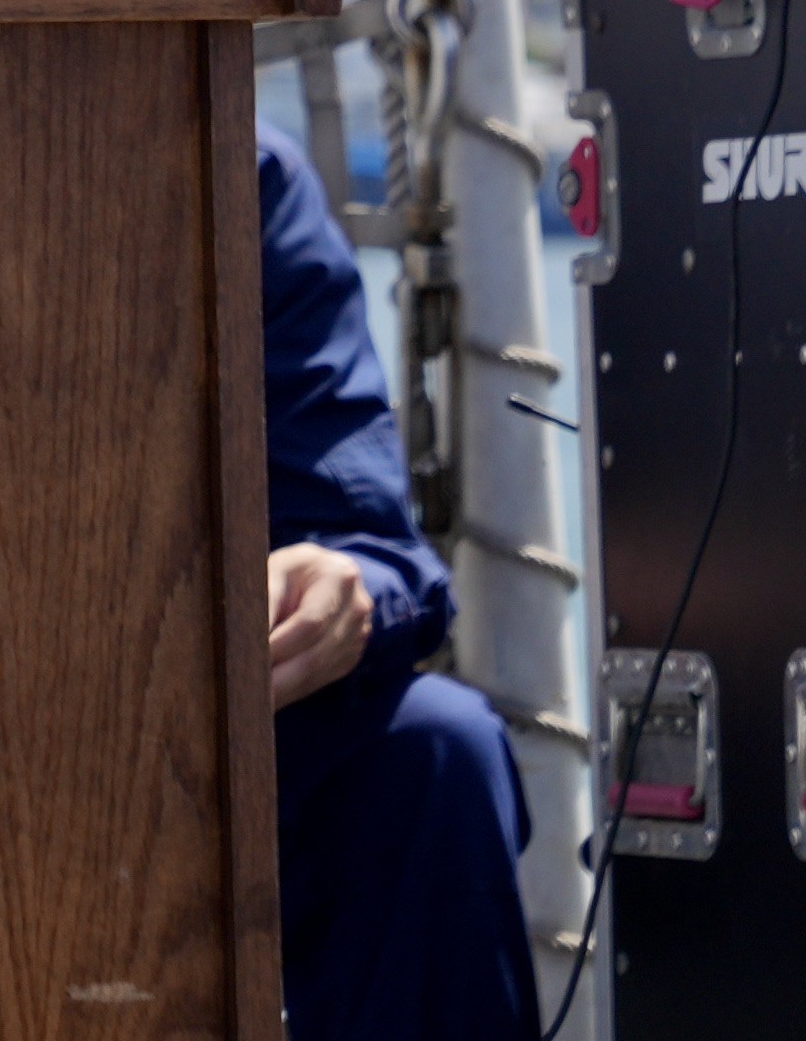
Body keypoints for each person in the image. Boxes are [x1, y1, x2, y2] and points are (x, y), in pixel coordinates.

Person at [256, 123, 534, 1037]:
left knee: (435, 751)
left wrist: (342, 589)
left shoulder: (239, 174)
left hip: (186, 721)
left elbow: (369, 541)